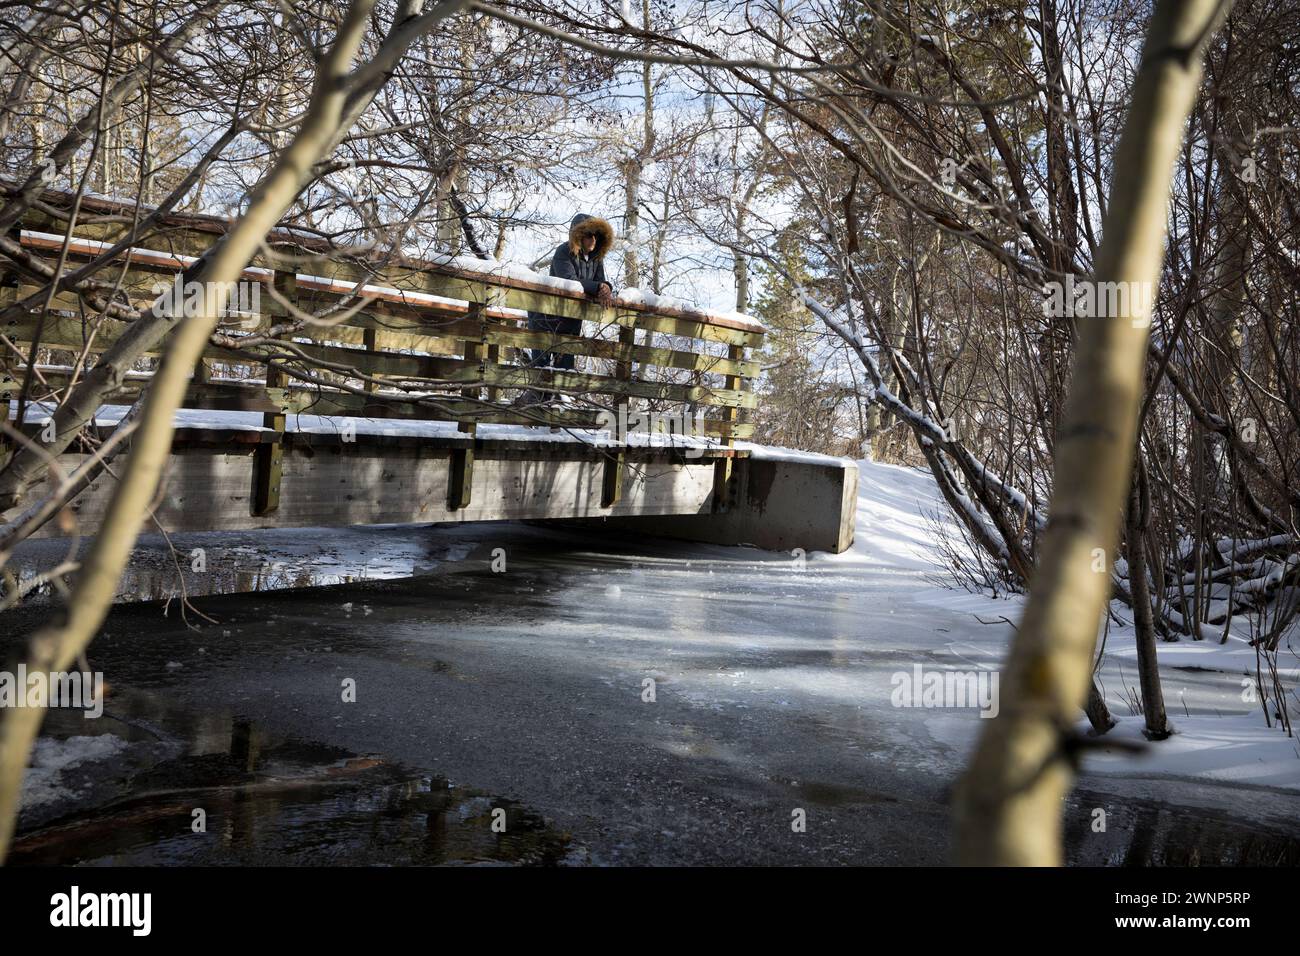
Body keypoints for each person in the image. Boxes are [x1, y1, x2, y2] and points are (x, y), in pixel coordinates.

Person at [516, 213, 615, 406]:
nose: (593, 239)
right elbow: (569, 282)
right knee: (541, 371)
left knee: (564, 371)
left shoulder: (597, 258)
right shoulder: (563, 252)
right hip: (545, 317)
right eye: (588, 235)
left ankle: (557, 417)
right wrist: (597, 288)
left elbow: (599, 282)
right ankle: (529, 415)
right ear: (579, 236)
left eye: (595, 235)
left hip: (570, 319)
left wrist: (606, 287)